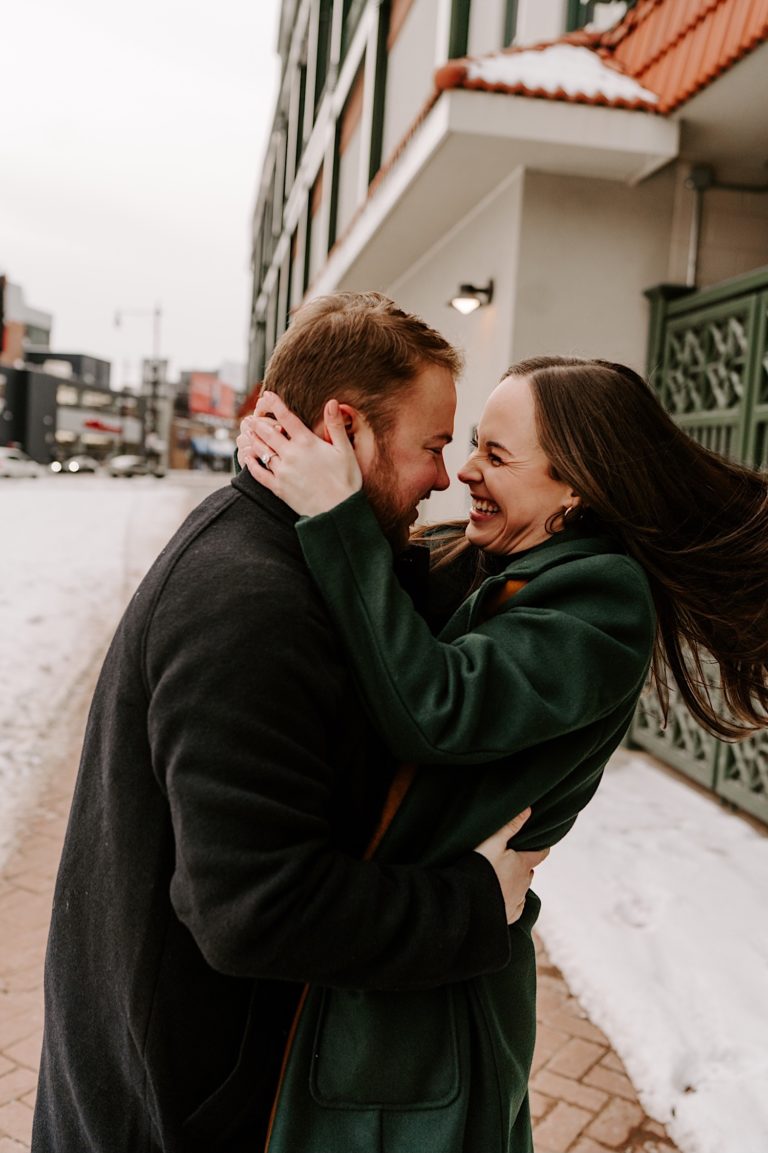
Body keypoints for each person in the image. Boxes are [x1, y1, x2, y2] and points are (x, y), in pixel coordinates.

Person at [31, 293, 547, 1153]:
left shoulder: (283, 548)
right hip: (174, 1112)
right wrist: (470, 907)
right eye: (432, 445)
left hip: (176, 1080)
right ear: (345, 430)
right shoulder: (248, 602)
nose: (444, 476)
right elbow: (254, 908)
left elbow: (391, 599)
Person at [238, 354, 768, 1151]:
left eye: (496, 454)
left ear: (575, 487)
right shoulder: (510, 561)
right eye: (469, 445)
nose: (465, 473)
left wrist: (337, 515)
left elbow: (437, 707)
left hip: (432, 1011)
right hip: (402, 961)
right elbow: (392, 594)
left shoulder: (601, 600)